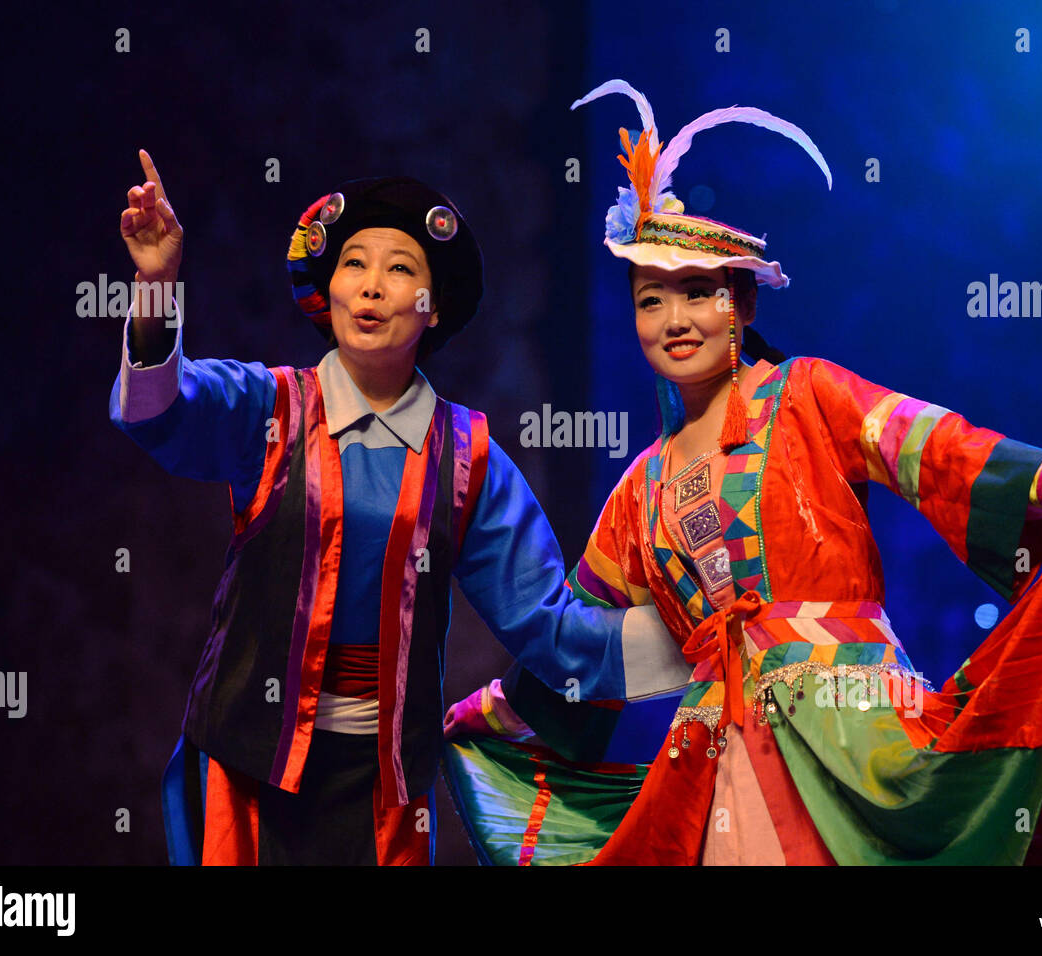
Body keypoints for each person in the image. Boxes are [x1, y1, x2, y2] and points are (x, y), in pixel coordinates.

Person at [442, 80, 1042, 866]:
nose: (674, 321)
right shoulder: (639, 492)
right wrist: (495, 716)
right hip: (720, 749)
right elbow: (579, 647)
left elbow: (928, 447)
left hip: (852, 726)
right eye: (649, 300)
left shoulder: (805, 394)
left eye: (696, 293)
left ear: (739, 305)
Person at [108, 150, 688, 865]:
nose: (372, 287)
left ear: (433, 304)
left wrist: (706, 640)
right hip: (246, 767)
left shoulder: (466, 456)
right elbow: (158, 412)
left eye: (401, 268)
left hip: (381, 793)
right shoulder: (273, 410)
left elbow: (551, 626)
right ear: (329, 290)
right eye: (355, 263)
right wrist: (156, 283)